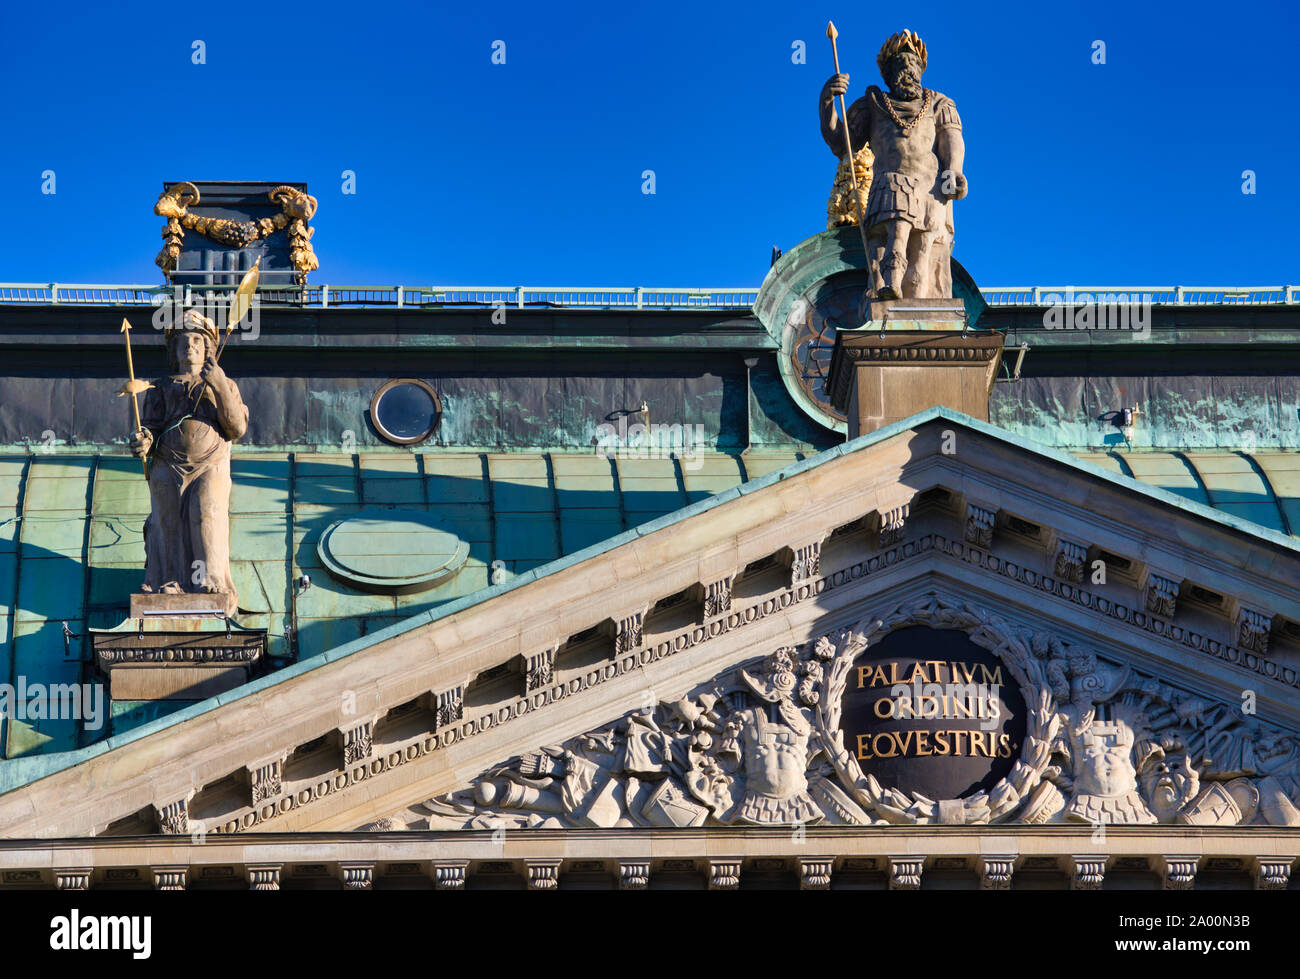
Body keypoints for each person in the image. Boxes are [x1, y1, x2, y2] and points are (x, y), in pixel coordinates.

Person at [819, 30, 966, 300]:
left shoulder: (940, 104)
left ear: (921, 69)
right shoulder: (872, 105)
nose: (908, 71)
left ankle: (917, 316)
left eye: (913, 64)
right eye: (900, 65)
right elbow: (842, 144)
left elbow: (952, 141)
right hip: (888, 186)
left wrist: (954, 171)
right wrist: (827, 103)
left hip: (929, 190)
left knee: (922, 256)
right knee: (880, 252)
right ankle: (885, 302)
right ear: (888, 73)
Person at [129, 309, 248, 612]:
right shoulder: (160, 386)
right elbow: (151, 427)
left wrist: (218, 384)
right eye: (183, 340)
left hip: (210, 463)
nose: (190, 345)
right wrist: (143, 440)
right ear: (174, 349)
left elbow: (236, 428)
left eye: (197, 339)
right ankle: (167, 581)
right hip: (167, 462)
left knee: (205, 512)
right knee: (166, 519)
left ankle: (210, 580)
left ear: (208, 347)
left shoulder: (224, 383)